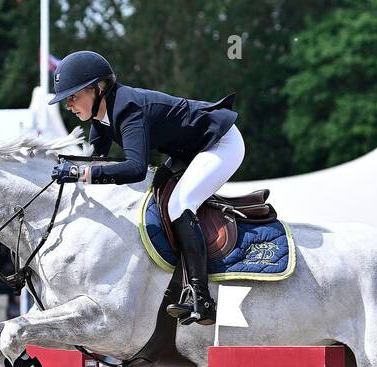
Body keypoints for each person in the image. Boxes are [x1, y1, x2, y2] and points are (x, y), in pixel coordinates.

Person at [47, 50, 243, 325]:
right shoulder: (99, 119)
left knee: (180, 202)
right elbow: (94, 161)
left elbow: (135, 168)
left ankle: (202, 298)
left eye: (73, 96)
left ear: (98, 88)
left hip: (220, 143)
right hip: (190, 150)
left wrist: (79, 173)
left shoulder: (128, 108)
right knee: (158, 195)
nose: (68, 105)